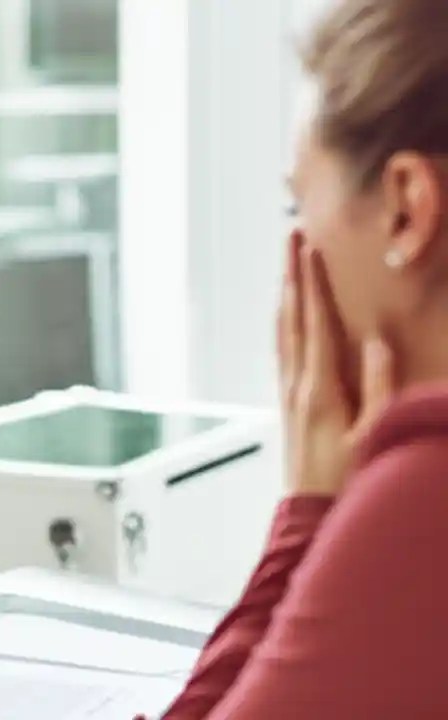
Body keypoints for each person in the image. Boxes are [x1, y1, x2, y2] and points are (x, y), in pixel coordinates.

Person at [163, 0, 448, 716]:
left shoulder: (426, 488)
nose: (298, 244)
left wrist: (312, 512)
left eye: (299, 206)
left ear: (407, 209)